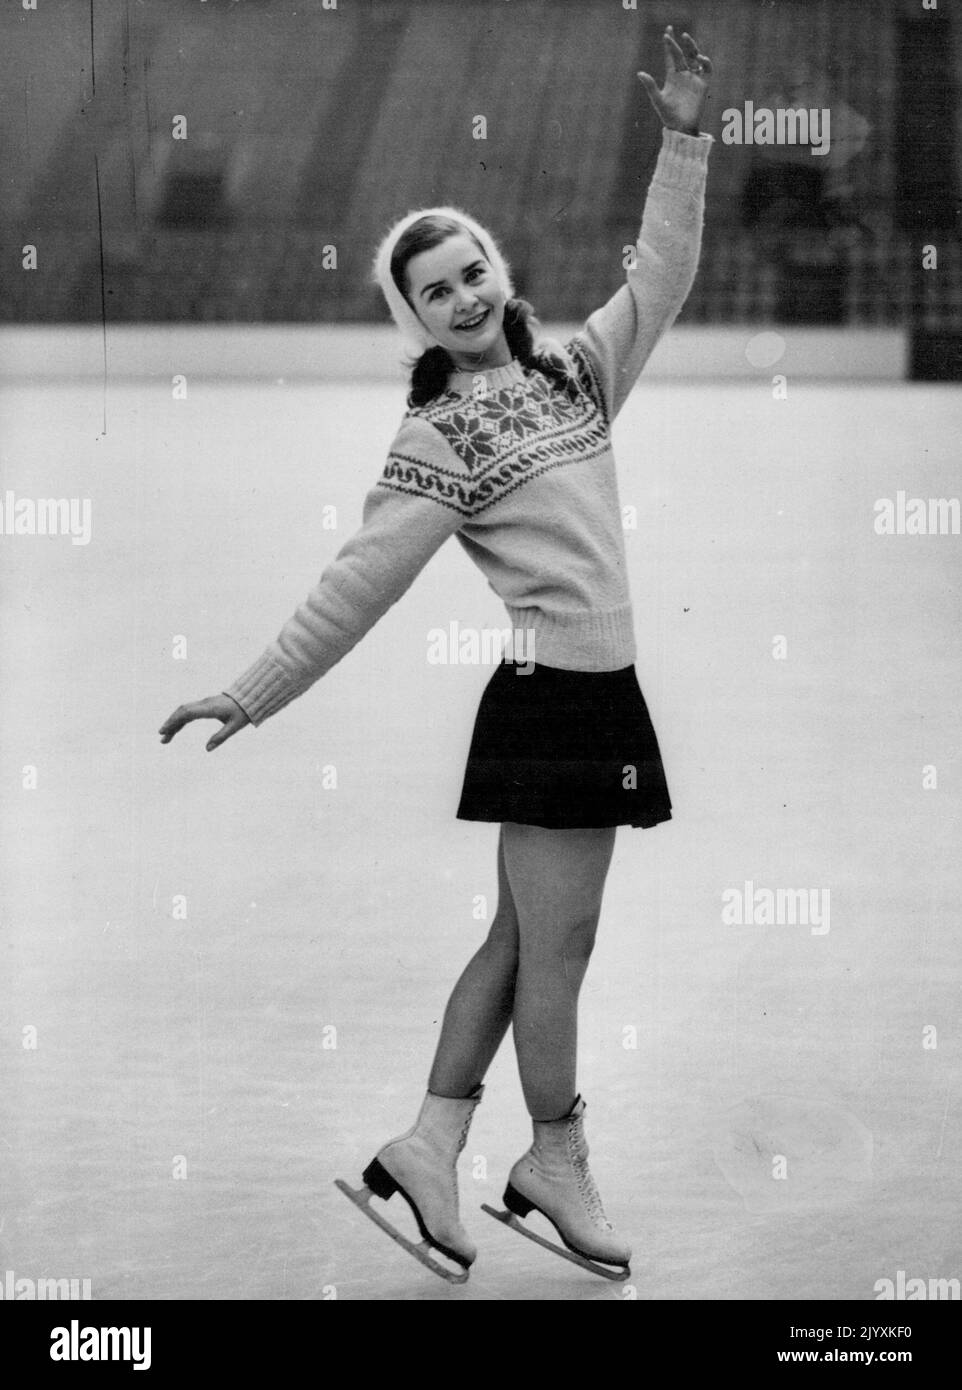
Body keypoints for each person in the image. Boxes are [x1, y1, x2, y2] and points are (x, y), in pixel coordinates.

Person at [159, 27, 714, 1282]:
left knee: (517, 945)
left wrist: (682, 138)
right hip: (552, 703)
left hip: (595, 695)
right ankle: (550, 1159)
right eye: (435, 292)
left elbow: (662, 278)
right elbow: (358, 578)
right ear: (411, 317)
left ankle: (427, 1144)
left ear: (496, 271)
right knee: (554, 956)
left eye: (470, 273)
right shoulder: (440, 433)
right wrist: (253, 690)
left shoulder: (574, 371)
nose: (461, 297)